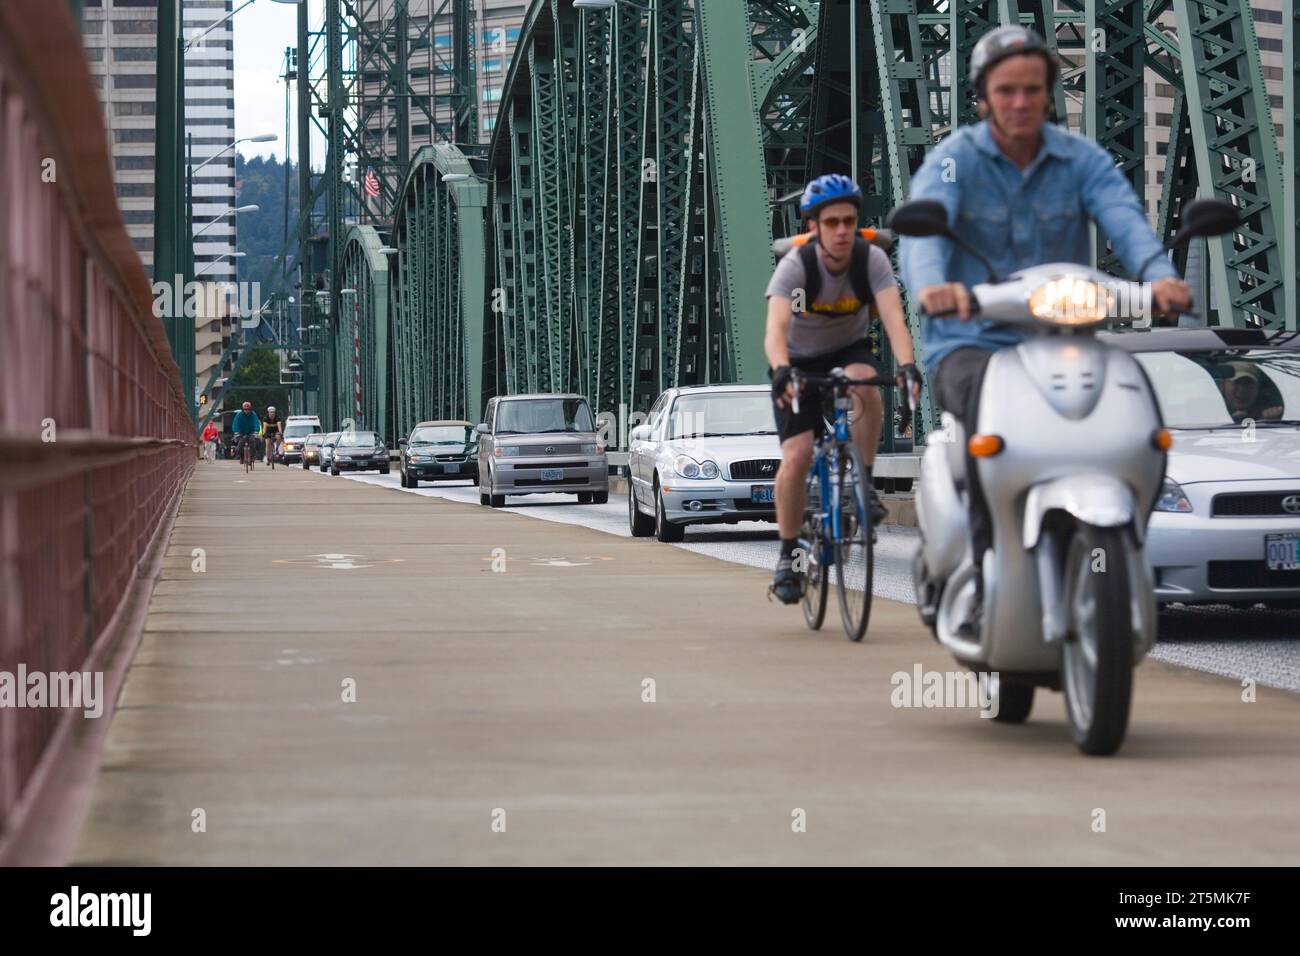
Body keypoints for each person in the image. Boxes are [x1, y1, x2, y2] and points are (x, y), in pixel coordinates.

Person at [899, 24, 1192, 635]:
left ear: (1050, 93)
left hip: (1063, 339)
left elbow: (1126, 220)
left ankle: (1121, 542)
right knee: (988, 420)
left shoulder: (1080, 160)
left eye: (1033, 89)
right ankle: (983, 569)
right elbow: (925, 234)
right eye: (1006, 91)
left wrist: (1159, 277)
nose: (1021, 102)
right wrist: (934, 288)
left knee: (1138, 406)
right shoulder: (954, 161)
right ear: (982, 97)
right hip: (973, 342)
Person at [765, 173, 922, 604]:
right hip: (796, 360)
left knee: (865, 387)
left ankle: (863, 486)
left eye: (849, 222)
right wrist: (781, 370)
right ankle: (787, 556)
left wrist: (907, 367)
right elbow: (774, 331)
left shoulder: (869, 261)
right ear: (813, 226)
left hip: (847, 348)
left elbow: (894, 320)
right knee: (797, 455)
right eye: (831, 222)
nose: (840, 231)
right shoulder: (797, 266)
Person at [1219, 361, 1283, 423]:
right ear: (1222, 385)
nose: (1242, 390)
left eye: (1248, 384)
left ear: (1258, 388)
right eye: (1236, 382)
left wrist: (1271, 422)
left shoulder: (1272, 415)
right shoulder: (1211, 414)